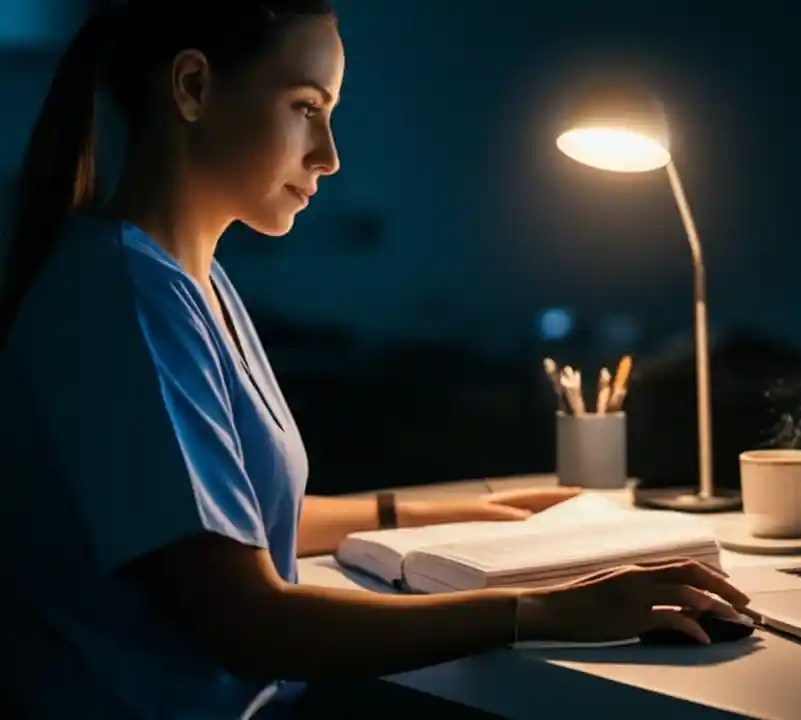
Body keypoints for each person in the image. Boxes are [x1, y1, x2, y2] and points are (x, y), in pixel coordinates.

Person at [0, 2, 755, 717]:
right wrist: (555, 609)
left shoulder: (194, 282)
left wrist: (469, 508)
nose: (327, 157)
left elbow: (243, 526)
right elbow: (250, 619)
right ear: (192, 87)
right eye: (306, 108)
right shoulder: (123, 296)